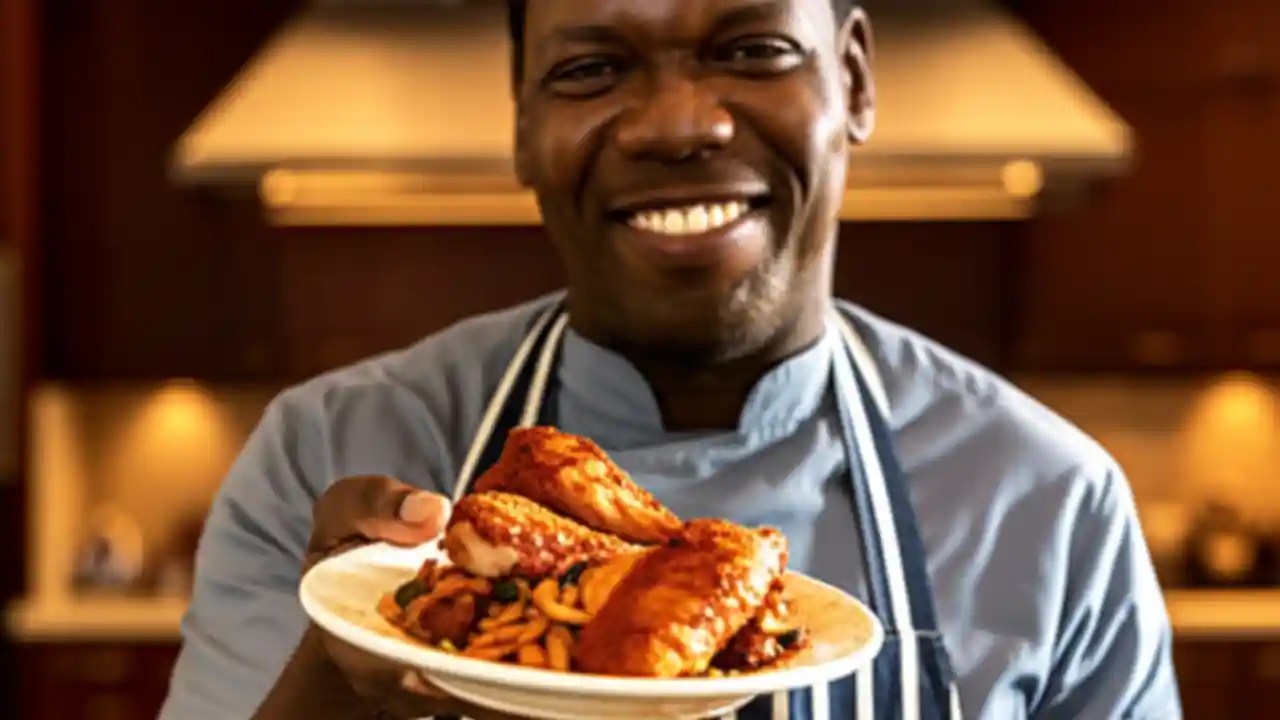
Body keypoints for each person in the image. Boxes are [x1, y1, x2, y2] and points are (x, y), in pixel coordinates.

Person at [160, 0, 1182, 718]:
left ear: (855, 82)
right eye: (589, 68)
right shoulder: (322, 454)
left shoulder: (1049, 500)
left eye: (752, 48)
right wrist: (343, 681)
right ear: (521, 124)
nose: (678, 122)